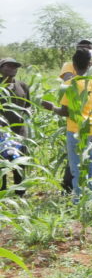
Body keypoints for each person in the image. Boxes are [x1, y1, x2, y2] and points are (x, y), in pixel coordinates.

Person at [40, 46, 92, 197]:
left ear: (73, 65)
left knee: (77, 168)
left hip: (76, 130)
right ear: (89, 64)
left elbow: (64, 111)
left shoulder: (70, 84)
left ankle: (79, 201)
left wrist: (51, 107)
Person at [0, 58, 31, 195]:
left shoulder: (22, 86)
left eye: (15, 66)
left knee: (20, 160)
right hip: (1, 130)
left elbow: (28, 105)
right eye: (8, 66)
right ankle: (2, 188)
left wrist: (29, 111)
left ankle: (20, 190)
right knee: (2, 161)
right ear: (1, 68)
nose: (12, 68)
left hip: (19, 130)